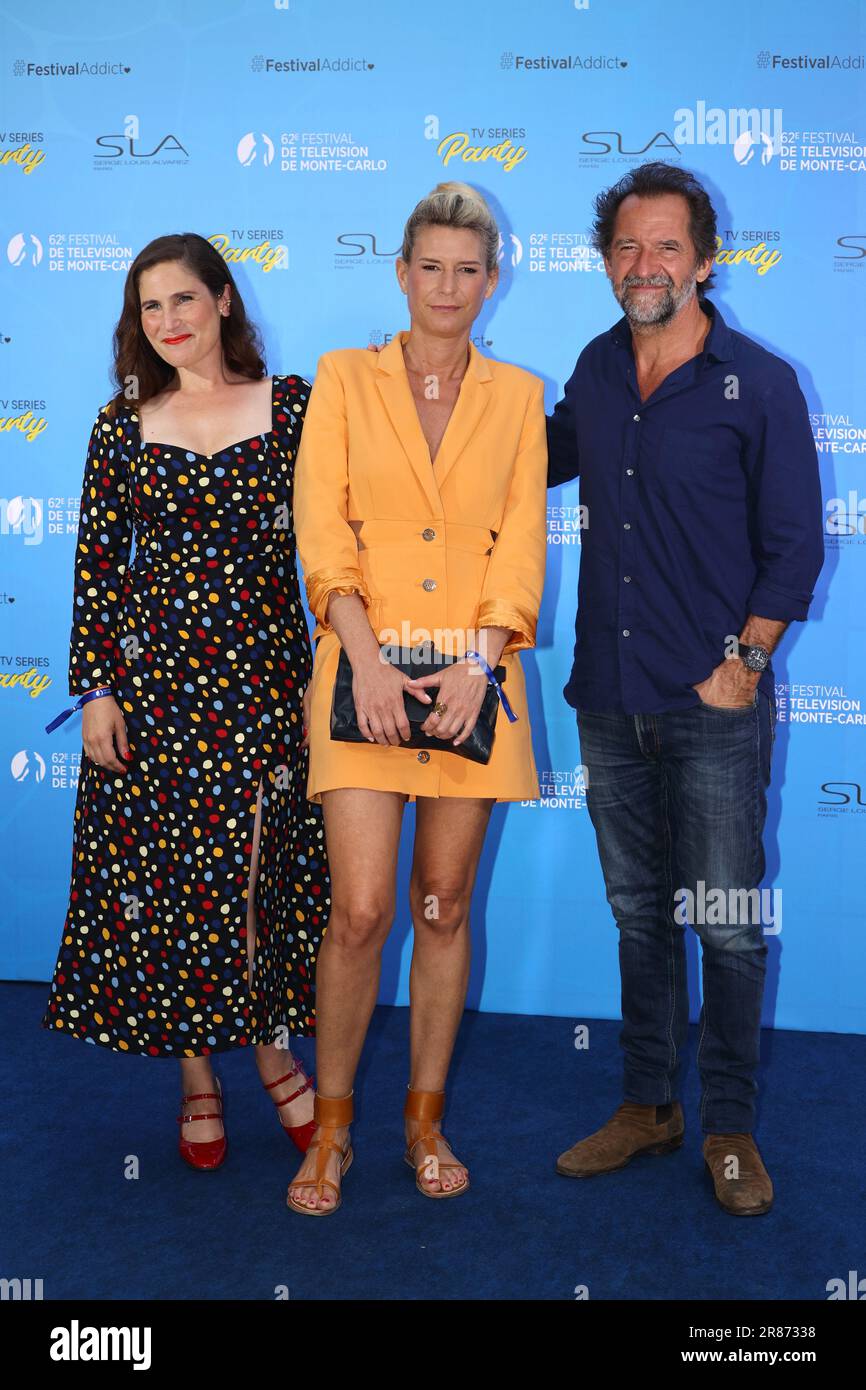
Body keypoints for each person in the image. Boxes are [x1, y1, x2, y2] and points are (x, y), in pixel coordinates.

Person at [547, 162, 824, 1215]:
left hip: (710, 702)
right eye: (624, 245)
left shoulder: (756, 382)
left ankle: (729, 1126)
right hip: (606, 696)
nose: (642, 264)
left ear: (702, 260)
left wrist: (742, 664)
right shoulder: (594, 367)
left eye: (664, 245)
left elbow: (792, 547)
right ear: (603, 260)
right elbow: (527, 461)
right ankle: (645, 1105)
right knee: (637, 918)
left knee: (724, 922)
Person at [42, 233, 329, 1168]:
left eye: (182, 301)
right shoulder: (119, 422)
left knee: (257, 876)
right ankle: (196, 1072)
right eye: (148, 308)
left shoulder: (294, 409)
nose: (166, 322)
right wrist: (95, 692)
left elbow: (338, 537)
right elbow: (96, 569)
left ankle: (273, 1047)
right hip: (156, 689)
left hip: (264, 683)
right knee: (172, 888)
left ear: (225, 301)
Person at [288, 181, 547, 1214]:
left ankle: (422, 1120)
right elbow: (324, 536)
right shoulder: (341, 381)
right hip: (364, 671)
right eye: (429, 266)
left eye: (467, 269)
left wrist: (476, 663)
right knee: (358, 913)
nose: (447, 286)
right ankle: (334, 1128)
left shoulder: (520, 396)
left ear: (492, 279)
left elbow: (518, 546)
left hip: (469, 681)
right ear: (401, 274)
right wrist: (370, 665)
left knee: (440, 907)